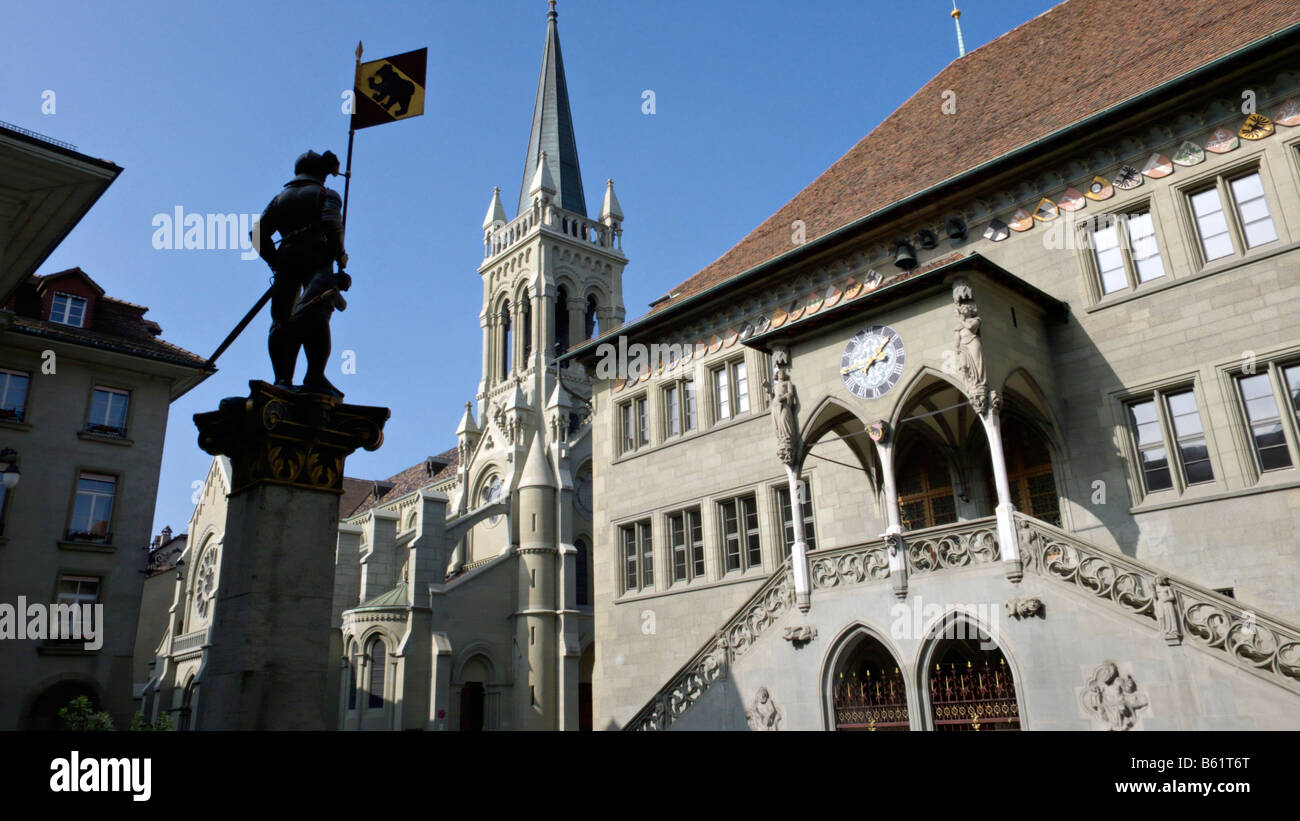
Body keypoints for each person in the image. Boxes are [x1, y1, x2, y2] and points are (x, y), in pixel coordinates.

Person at [256, 149, 351, 398]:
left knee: (281, 319)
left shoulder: (280, 198)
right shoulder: (326, 194)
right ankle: (314, 376)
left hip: (287, 260)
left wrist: (275, 262)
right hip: (317, 260)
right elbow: (332, 225)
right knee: (316, 314)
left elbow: (257, 234)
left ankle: (283, 379)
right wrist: (340, 255)